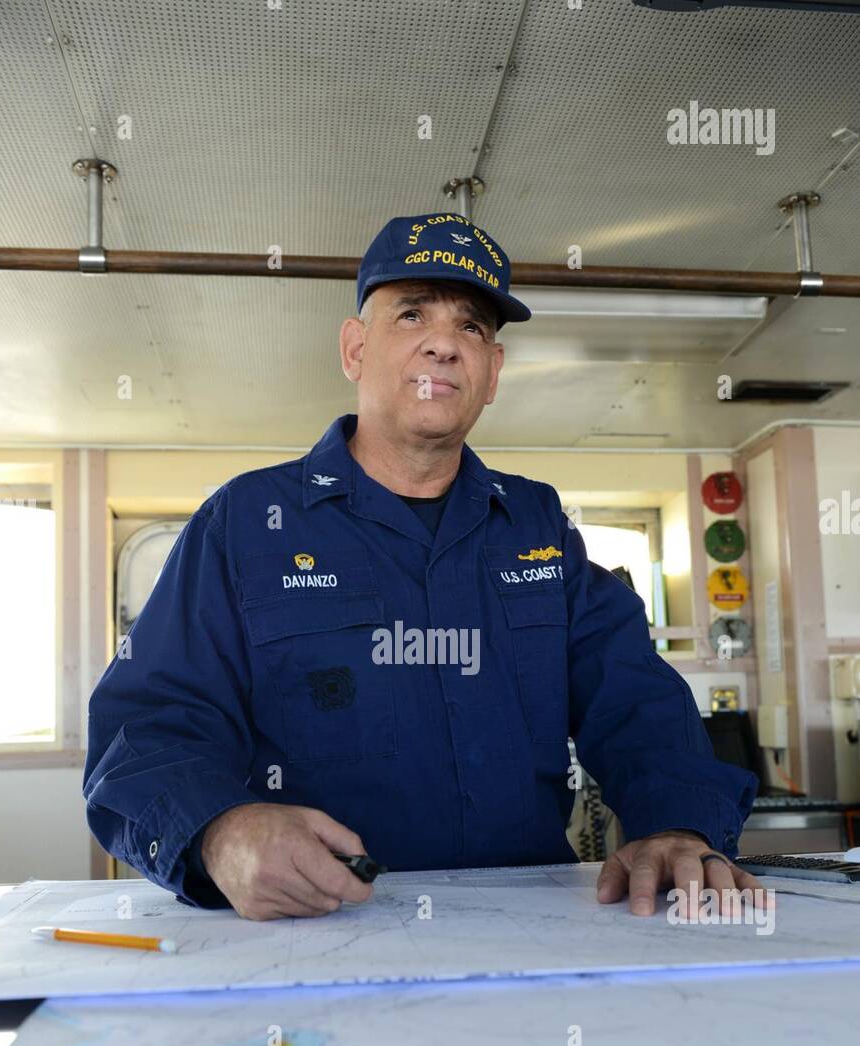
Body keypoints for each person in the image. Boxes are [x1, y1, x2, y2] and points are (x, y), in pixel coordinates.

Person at [84, 212, 759, 921]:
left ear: (492, 372)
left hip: (529, 930)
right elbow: (149, 722)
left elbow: (633, 697)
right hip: (314, 929)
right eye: (411, 314)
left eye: (471, 327)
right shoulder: (245, 522)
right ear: (354, 348)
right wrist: (218, 831)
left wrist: (678, 822)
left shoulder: (537, 527)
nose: (443, 343)